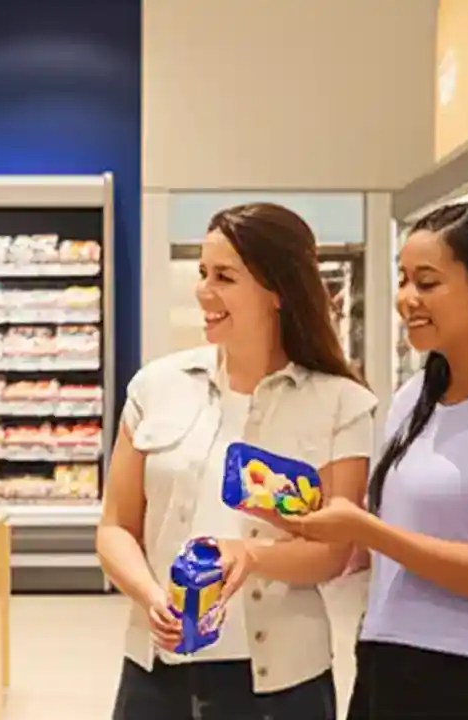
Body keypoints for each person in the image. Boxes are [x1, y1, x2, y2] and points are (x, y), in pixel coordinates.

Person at [282, 203, 468, 719]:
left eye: (427, 282)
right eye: (402, 280)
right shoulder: (415, 397)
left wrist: (370, 532)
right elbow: (404, 537)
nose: (407, 300)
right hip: (390, 662)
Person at [97, 202, 378, 720]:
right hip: (157, 673)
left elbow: (335, 551)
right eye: (203, 273)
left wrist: (251, 557)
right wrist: (148, 594)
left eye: (224, 277)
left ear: (278, 291)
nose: (204, 291)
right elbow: (116, 526)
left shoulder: (342, 404)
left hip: (284, 680)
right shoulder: (155, 387)